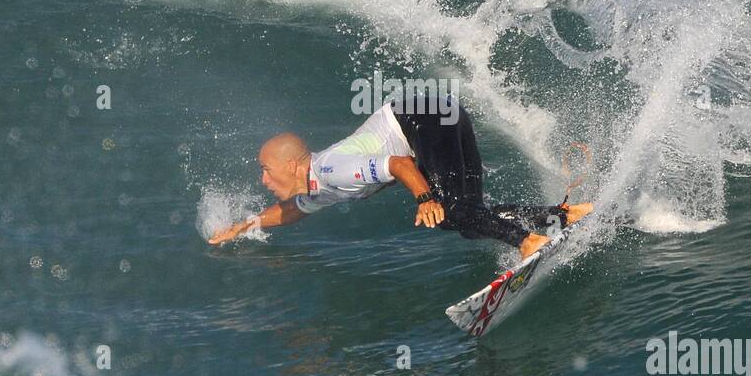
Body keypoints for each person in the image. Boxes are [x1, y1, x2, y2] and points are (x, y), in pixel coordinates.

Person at [208, 95, 591, 259]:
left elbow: (398, 165)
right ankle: (561, 216)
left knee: (451, 212)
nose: (263, 179)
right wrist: (245, 225)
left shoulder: (331, 169)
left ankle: (528, 242)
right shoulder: (316, 186)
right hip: (437, 113)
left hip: (423, 119)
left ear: (292, 165)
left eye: (265, 170)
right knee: (469, 217)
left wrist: (425, 199)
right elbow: (293, 209)